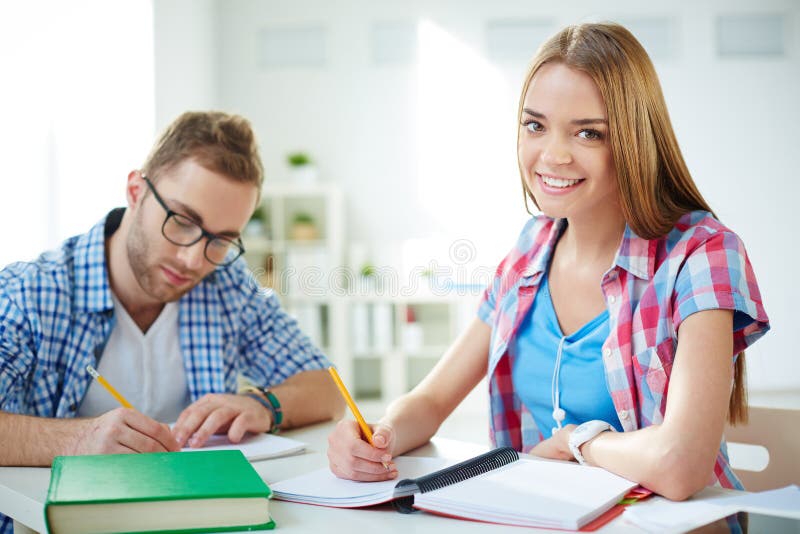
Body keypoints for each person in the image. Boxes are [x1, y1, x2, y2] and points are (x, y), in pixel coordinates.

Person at [327, 22, 769, 501]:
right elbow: (432, 400)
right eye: (535, 125)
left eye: (588, 133)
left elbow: (679, 464)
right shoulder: (529, 252)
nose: (553, 155)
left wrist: (583, 443)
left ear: (634, 139)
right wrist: (379, 435)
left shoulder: (701, 254)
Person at [0, 111, 344, 467]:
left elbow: (329, 390)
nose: (195, 260)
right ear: (136, 192)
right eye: (182, 221)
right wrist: (76, 440)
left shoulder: (227, 286)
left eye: (221, 240)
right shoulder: (30, 294)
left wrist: (264, 405)